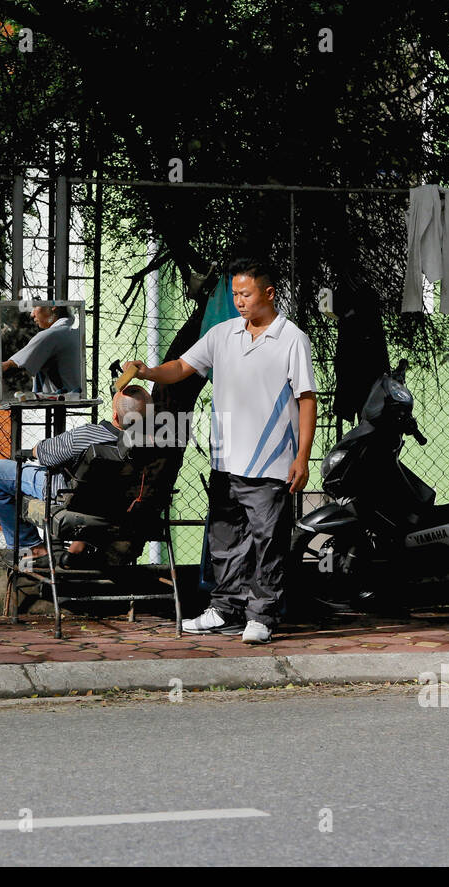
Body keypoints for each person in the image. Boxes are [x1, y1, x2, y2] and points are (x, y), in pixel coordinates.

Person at [123, 257, 316, 644]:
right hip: (226, 459)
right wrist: (146, 372)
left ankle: (261, 615)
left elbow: (307, 399)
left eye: (246, 294)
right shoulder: (223, 334)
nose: (239, 302)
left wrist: (302, 457)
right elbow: (180, 367)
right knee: (225, 541)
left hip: (271, 464)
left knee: (268, 543)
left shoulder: (292, 338)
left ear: (268, 293)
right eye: (235, 295)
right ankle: (224, 608)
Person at [0, 385, 152, 567]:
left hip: (67, 495)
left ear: (115, 416)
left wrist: (32, 451)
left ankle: (31, 548)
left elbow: (46, 454)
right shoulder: (156, 445)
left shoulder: (88, 435)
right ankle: (77, 547)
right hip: (120, 508)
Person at [1, 304, 83, 396]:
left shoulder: (51, 335)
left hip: (57, 399)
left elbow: (8, 365)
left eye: (35, 306)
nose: (32, 314)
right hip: (75, 396)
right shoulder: (75, 332)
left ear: (53, 306)